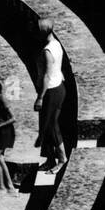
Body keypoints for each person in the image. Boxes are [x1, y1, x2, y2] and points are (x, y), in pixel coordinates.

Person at [34, 18, 68, 173]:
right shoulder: (57, 44)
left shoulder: (47, 51)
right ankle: (49, 159)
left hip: (51, 92)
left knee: (52, 127)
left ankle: (62, 159)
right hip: (58, 87)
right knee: (47, 126)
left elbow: (47, 76)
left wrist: (40, 97)